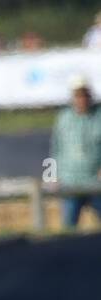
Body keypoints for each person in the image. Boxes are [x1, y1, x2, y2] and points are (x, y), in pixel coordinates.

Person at [50, 75, 101, 228]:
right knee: (69, 229)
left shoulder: (99, 117)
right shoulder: (63, 118)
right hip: (69, 183)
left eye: (84, 94)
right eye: (78, 95)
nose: (81, 99)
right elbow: (55, 148)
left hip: (95, 183)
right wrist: (52, 177)